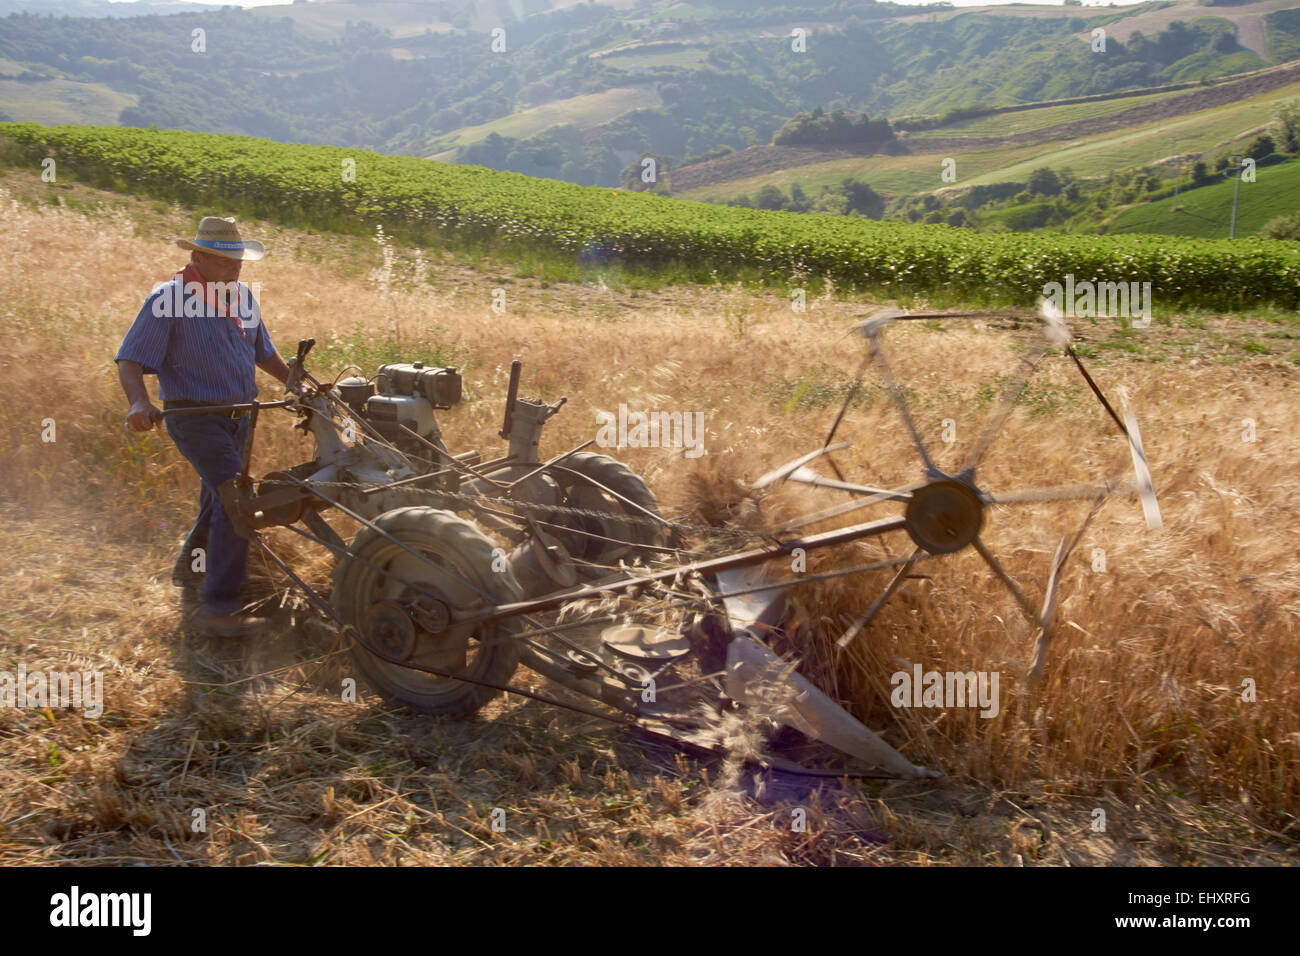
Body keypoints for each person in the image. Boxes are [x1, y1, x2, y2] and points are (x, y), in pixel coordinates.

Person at [116, 217, 291, 637]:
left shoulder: (244, 299)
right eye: (225, 260)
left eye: (239, 260)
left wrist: (299, 383)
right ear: (197, 257)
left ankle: (192, 571)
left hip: (240, 417)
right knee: (238, 499)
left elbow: (263, 353)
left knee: (219, 500)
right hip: (194, 417)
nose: (235, 268)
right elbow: (130, 359)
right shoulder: (168, 299)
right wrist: (140, 401)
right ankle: (220, 609)